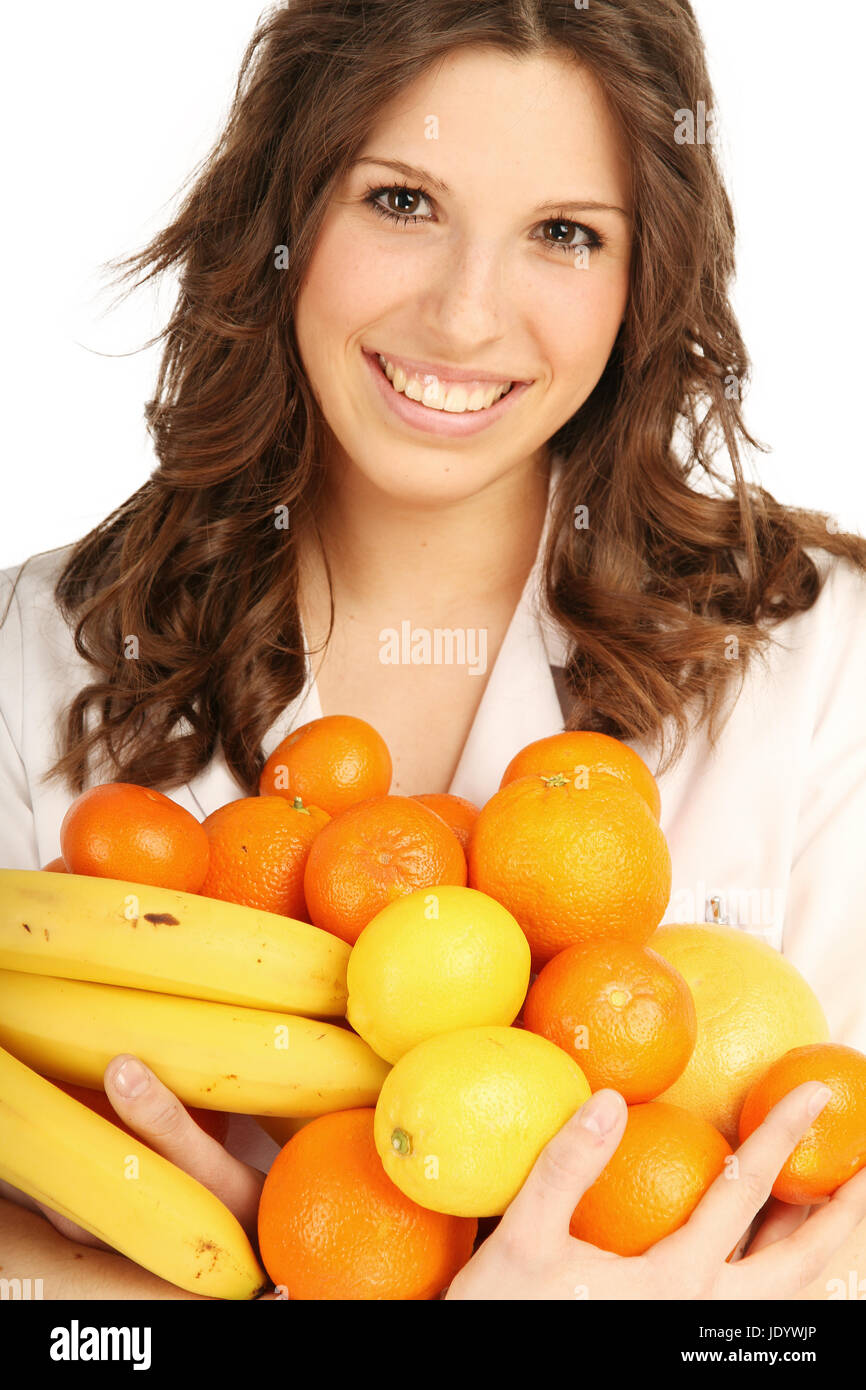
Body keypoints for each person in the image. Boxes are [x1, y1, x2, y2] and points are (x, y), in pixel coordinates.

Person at [1, 0, 865, 1300]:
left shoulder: (813, 662)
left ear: (644, 282)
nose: (464, 318)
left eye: (564, 234)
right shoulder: (41, 652)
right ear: (284, 215)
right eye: (401, 201)